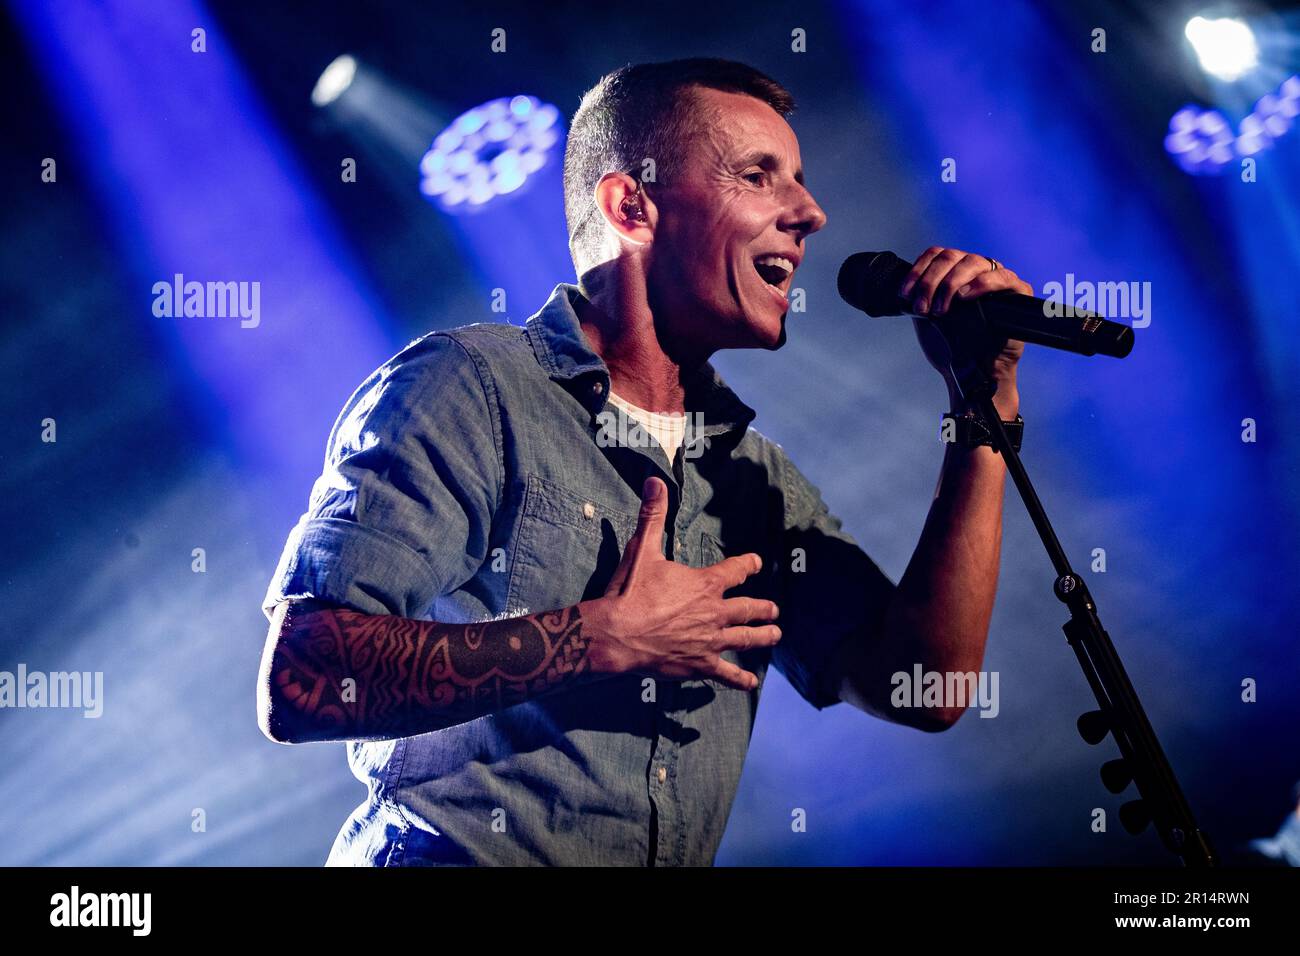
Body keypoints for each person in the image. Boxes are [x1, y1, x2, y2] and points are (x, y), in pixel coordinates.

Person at [257, 57, 1033, 866]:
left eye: (797, 180)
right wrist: (599, 638)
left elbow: (926, 686)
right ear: (633, 205)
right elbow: (303, 679)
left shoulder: (752, 482)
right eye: (758, 176)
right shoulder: (474, 386)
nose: (810, 212)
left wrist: (981, 406)